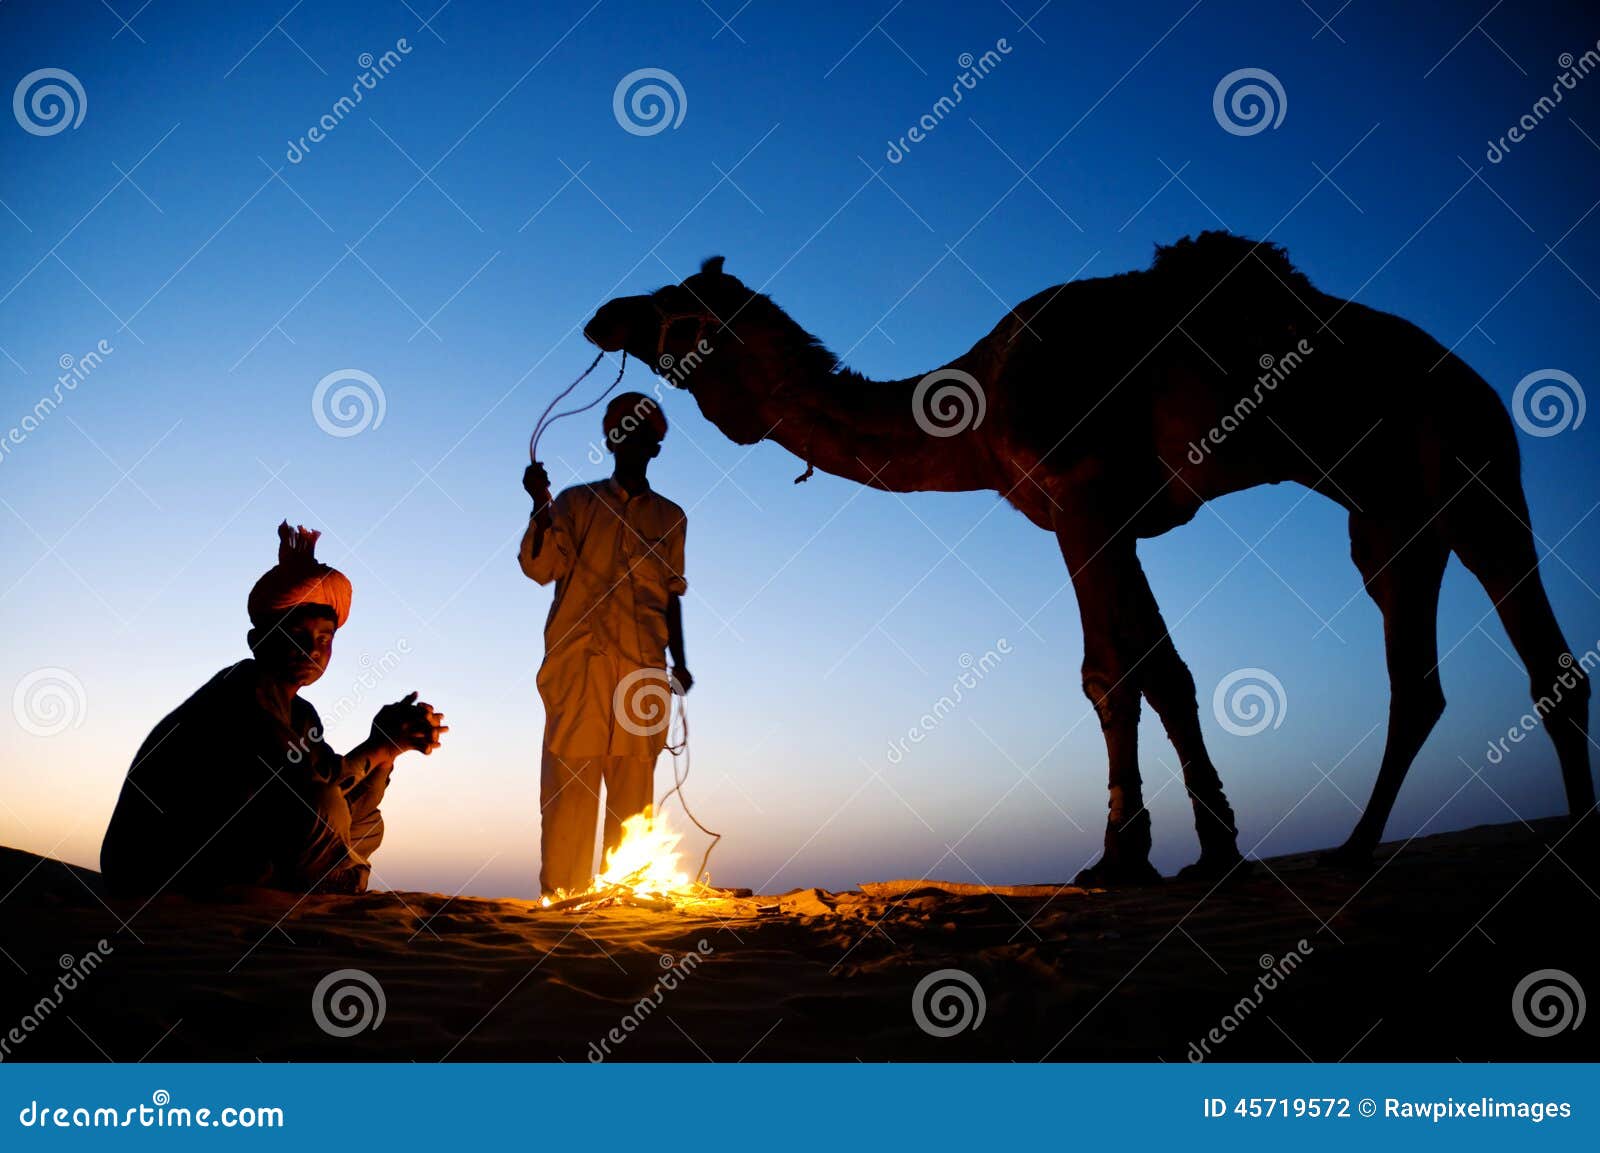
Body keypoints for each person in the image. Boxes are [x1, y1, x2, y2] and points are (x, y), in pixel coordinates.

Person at [100, 522, 446, 898]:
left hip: (240, 853)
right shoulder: (243, 692)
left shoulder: (301, 713)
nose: (311, 649)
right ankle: (326, 882)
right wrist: (379, 745)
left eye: (324, 638)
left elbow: (336, 783)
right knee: (323, 804)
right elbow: (315, 787)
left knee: (366, 820)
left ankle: (323, 876)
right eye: (296, 636)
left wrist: (390, 750)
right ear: (259, 641)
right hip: (161, 870)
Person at [520, 391, 692, 898]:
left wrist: (680, 663)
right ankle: (563, 897)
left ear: (656, 447)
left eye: (645, 435)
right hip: (580, 663)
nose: (633, 442)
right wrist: (540, 504)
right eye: (625, 431)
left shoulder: (672, 518)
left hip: (643, 670)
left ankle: (623, 900)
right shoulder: (574, 503)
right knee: (570, 784)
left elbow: (672, 594)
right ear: (611, 439)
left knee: (635, 788)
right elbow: (541, 568)